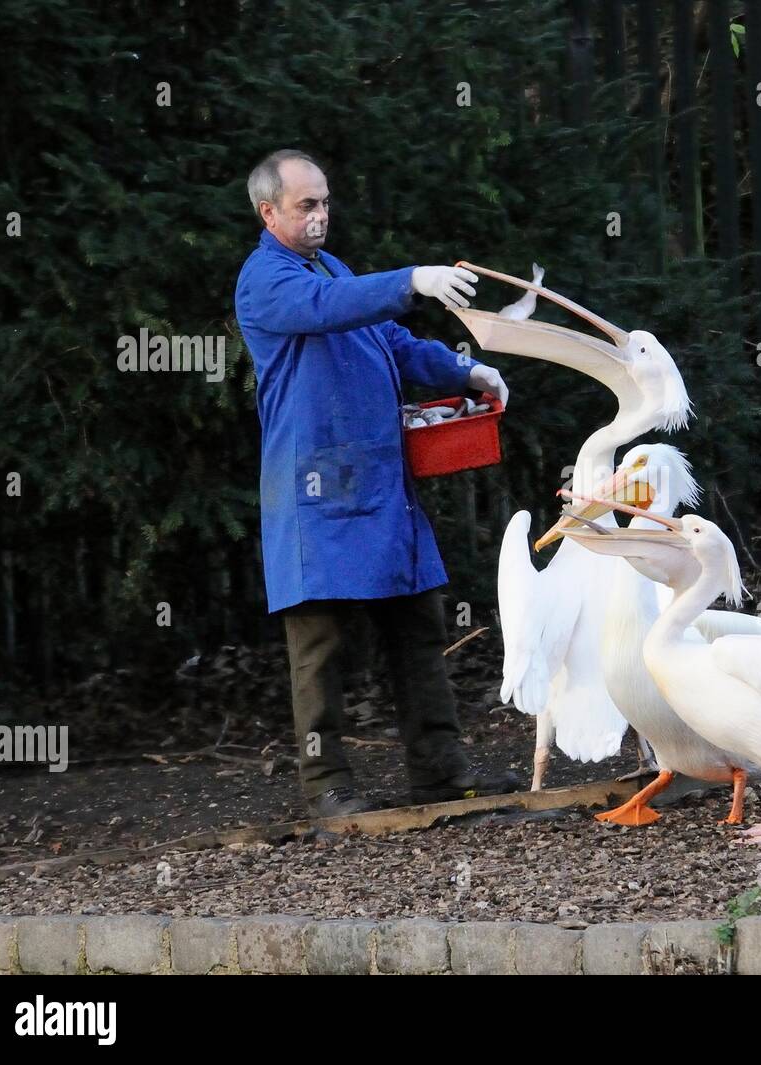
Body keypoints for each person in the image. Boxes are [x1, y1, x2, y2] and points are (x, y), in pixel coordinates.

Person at [234, 149, 522, 816]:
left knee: (417, 631)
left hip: (381, 487)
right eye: (306, 205)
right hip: (315, 494)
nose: (321, 215)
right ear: (268, 211)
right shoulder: (266, 281)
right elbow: (330, 306)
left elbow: (389, 340)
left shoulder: (332, 266)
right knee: (319, 648)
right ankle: (326, 788)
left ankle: (442, 775)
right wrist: (413, 278)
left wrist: (463, 370)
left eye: (325, 202)